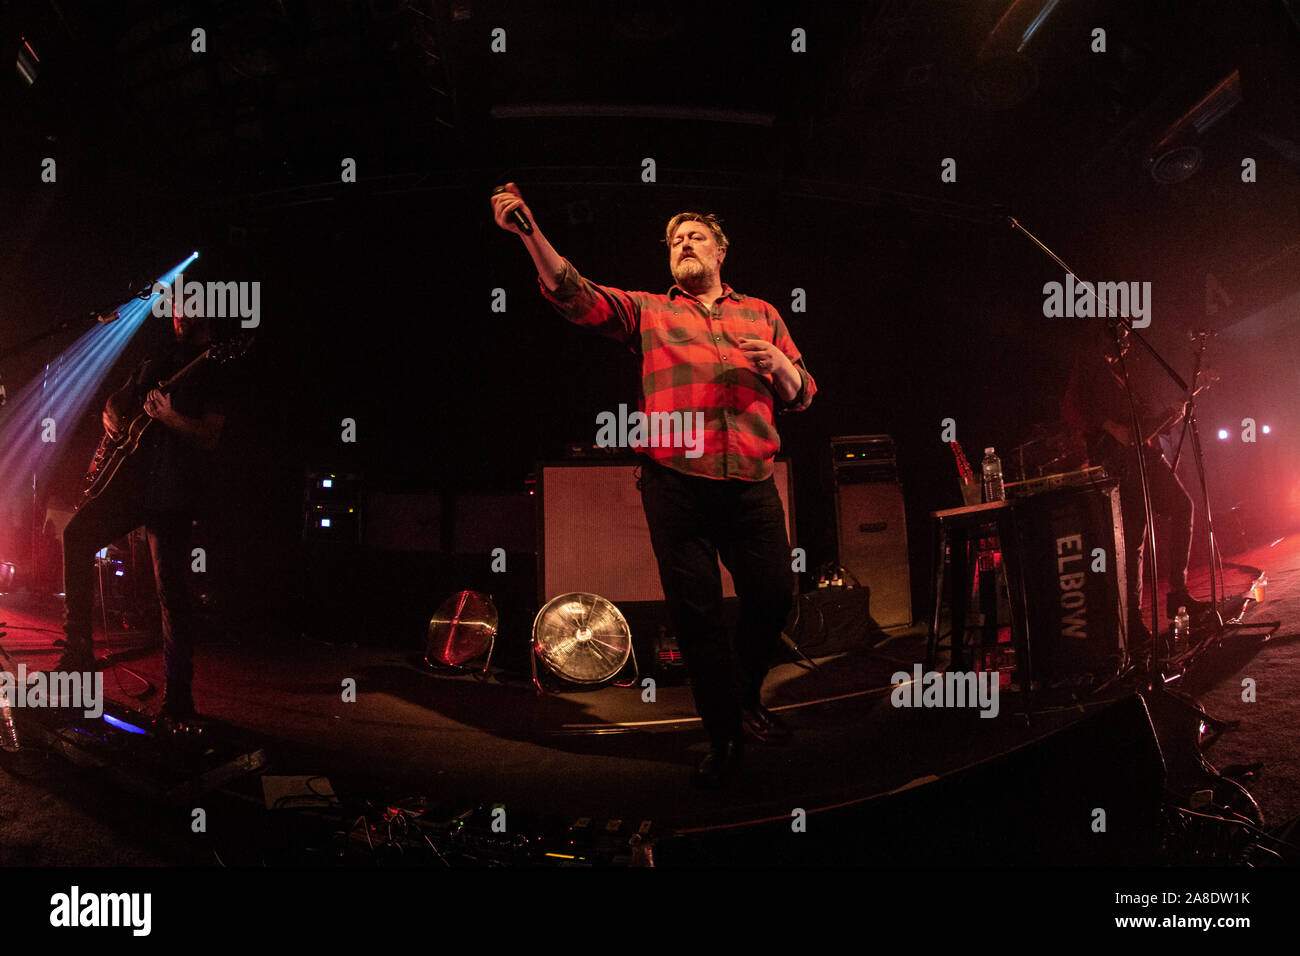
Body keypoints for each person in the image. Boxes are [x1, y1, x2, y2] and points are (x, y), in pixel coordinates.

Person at [492, 183, 817, 787]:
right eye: (674, 241)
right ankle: (723, 738)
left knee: (773, 597)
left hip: (751, 481)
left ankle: (745, 698)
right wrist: (529, 233)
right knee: (696, 618)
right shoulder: (650, 310)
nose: (683, 245)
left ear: (721, 252)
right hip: (676, 485)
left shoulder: (764, 313)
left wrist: (783, 369)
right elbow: (573, 292)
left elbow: (803, 394)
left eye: (695, 237)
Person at [55, 307, 226, 725]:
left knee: (171, 592)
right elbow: (117, 400)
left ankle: (178, 697)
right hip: (130, 484)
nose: (181, 318)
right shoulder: (157, 358)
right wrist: (112, 416)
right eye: (177, 311)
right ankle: (77, 655)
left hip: (174, 494)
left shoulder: (217, 366)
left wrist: (169, 417)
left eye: (191, 310)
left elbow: (210, 435)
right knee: (76, 535)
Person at [1061, 322, 1207, 648]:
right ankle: (1137, 619)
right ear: (1103, 337)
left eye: (1128, 336)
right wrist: (1107, 424)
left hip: (1140, 455)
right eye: (1120, 335)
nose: (1127, 342)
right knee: (1136, 536)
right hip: (1122, 463)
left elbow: (1137, 429)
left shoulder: (1119, 376)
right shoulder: (1090, 367)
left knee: (1152, 526)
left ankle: (1166, 604)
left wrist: (1170, 416)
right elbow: (1072, 407)